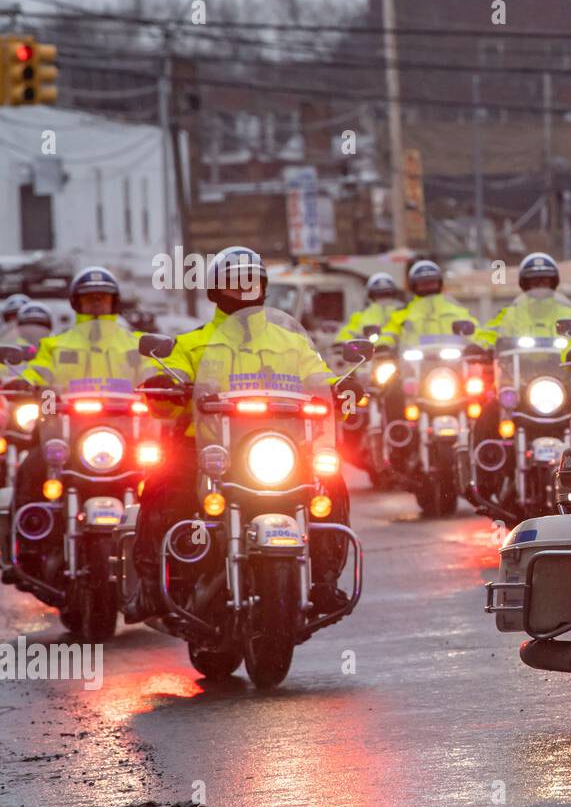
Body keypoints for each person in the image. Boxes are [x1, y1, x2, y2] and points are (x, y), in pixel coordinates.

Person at [129, 246, 354, 622]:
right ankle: (152, 587)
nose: (245, 288)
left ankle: (324, 582)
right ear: (215, 291)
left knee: (332, 485)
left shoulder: (292, 342)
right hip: (209, 448)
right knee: (162, 485)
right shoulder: (192, 344)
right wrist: (164, 389)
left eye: (252, 280)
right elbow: (171, 380)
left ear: (264, 287)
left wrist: (345, 388)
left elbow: (321, 380)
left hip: (281, 448)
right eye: (235, 282)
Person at [8, 268, 141, 588]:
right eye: (89, 298)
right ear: (76, 303)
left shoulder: (134, 344)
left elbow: (155, 376)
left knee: (166, 476)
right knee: (31, 465)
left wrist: (166, 385)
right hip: (69, 438)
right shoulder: (57, 344)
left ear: (114, 302)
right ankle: (26, 547)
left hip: (122, 439)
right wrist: (25, 383)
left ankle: (159, 560)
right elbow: (38, 373)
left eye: (103, 298)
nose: (96, 304)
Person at [474, 252, 571, 349]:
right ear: (525, 284)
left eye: (545, 281)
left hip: (562, 369)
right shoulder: (509, 314)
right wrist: (480, 346)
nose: (540, 286)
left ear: (553, 283)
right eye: (534, 281)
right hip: (515, 368)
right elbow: (490, 333)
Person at [377, 260, 473, 349]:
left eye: (431, 282)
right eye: (422, 283)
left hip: (452, 362)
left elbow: (476, 333)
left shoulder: (457, 311)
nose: (427, 286)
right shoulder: (400, 314)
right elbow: (389, 334)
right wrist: (383, 346)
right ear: (413, 286)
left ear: (439, 283)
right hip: (412, 364)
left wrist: (479, 345)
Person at [335, 272, 406, 347]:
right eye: (378, 294)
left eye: (387, 293)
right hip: (368, 354)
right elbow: (348, 332)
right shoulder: (360, 315)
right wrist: (340, 343)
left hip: (398, 353)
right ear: (370, 295)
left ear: (394, 294)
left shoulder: (402, 312)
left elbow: (410, 331)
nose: (383, 298)